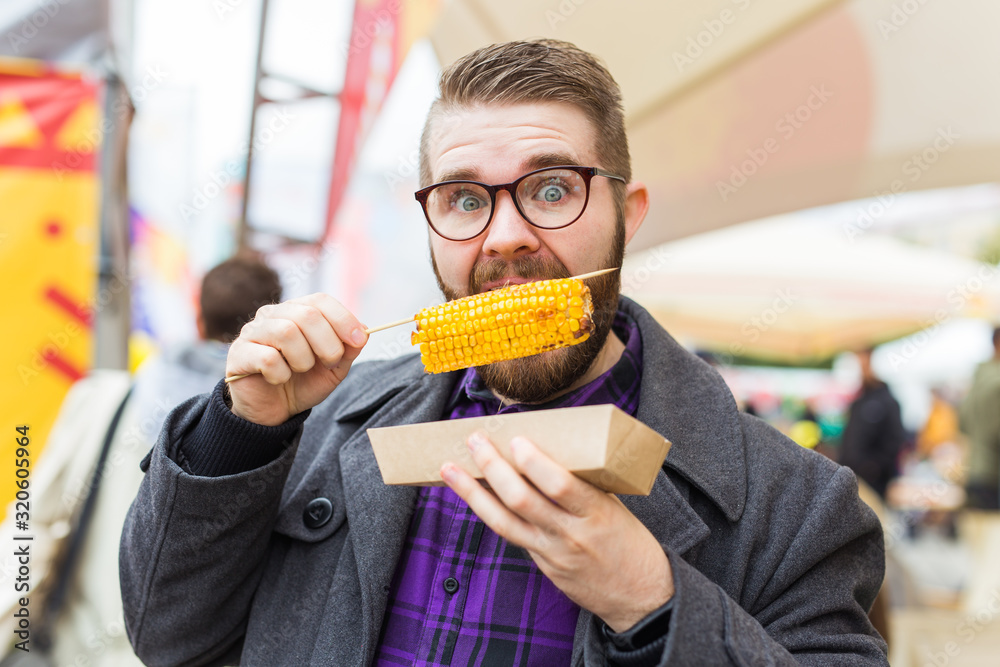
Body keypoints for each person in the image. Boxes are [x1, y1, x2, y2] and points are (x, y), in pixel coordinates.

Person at [120, 40, 887, 666]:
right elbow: (171, 637)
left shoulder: (801, 508)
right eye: (463, 198)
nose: (506, 234)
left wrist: (653, 602)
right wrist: (241, 430)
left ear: (629, 212)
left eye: (552, 189)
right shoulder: (321, 425)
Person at [0, 255, 280, 666]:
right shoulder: (279, 441)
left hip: (73, 650)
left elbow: (31, 526)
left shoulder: (102, 400)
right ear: (268, 326)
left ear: (197, 317)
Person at [839, 348, 907, 500]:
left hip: (873, 484)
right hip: (851, 479)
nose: (861, 366)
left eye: (864, 359)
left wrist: (872, 469)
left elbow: (895, 442)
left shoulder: (886, 401)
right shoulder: (859, 401)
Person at [959, 327, 1000, 509]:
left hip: (975, 470)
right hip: (992, 474)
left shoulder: (978, 379)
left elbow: (963, 423)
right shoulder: (996, 382)